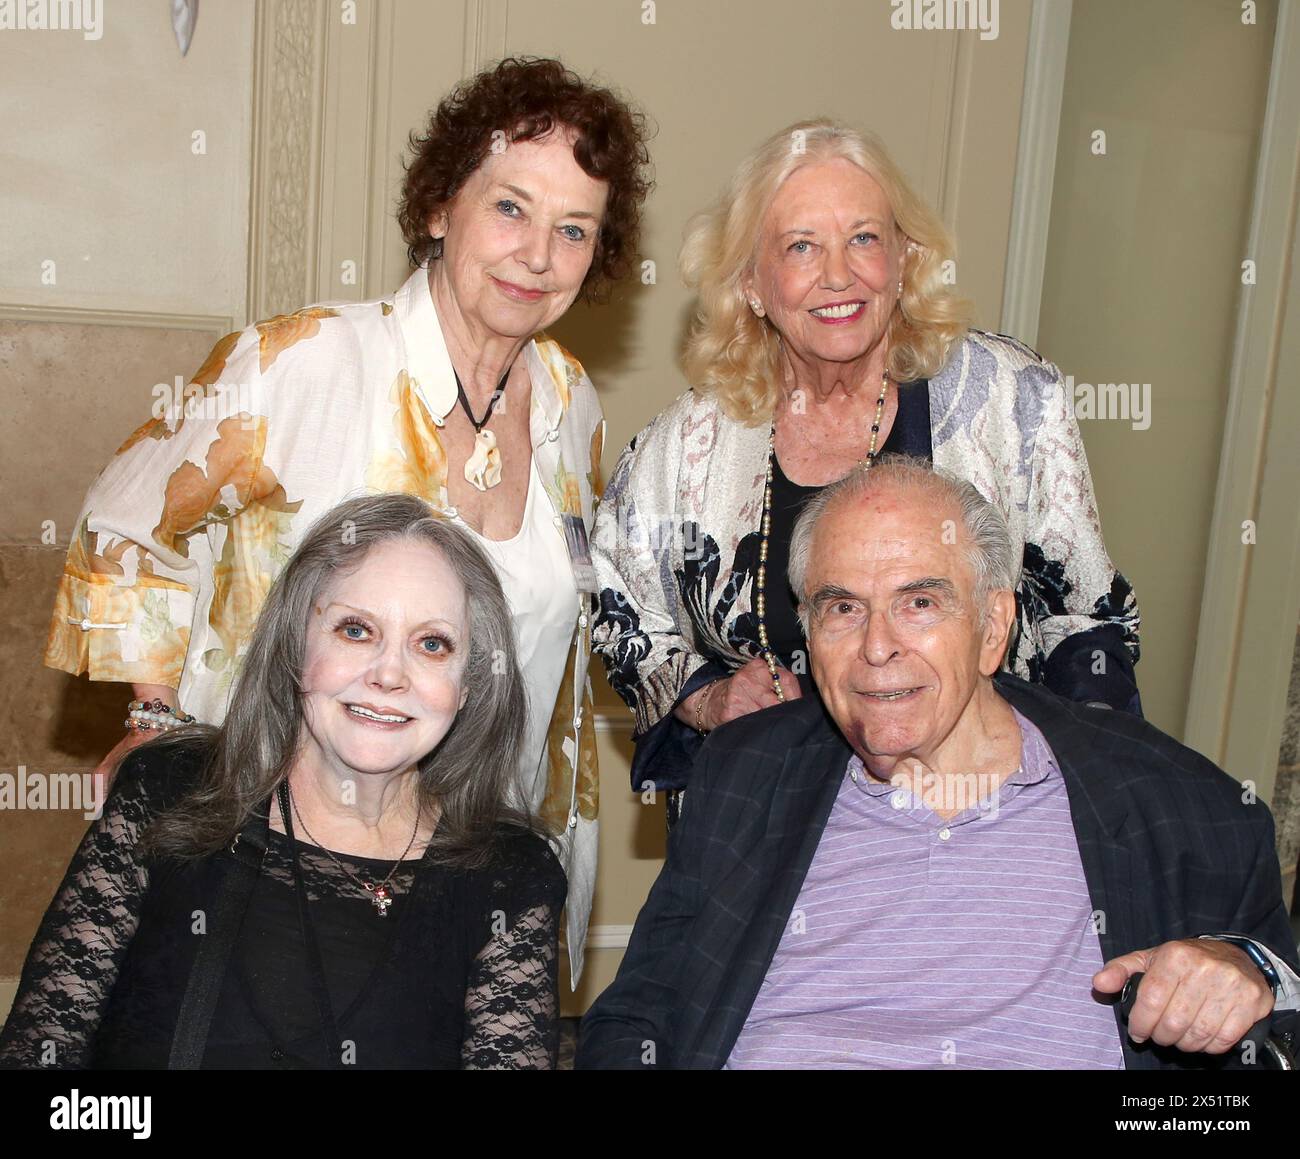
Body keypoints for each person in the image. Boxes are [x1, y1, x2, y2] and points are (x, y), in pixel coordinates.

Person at [42, 57, 651, 971]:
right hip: (273, 852)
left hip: (478, 873)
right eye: (511, 208)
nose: (538, 255)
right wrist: (156, 720)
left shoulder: (574, 408)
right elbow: (125, 521)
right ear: (441, 207)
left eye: (574, 229)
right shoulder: (307, 359)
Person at [578, 458, 1299, 1070]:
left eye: (919, 602)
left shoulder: (1181, 807)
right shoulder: (745, 772)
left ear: (993, 627)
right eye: (842, 608)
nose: (877, 647)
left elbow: (1274, 1010)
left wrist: (1253, 973)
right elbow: (637, 1014)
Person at [591, 119, 1139, 805]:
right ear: (753, 284)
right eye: (801, 246)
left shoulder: (1009, 398)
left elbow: (1086, 618)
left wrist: (1090, 803)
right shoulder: (685, 444)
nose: (838, 274)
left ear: (905, 258)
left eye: (863, 239)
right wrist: (705, 697)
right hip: (769, 821)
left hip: (989, 808)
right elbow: (617, 601)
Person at [2, 494, 565, 1070]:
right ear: (296, 646)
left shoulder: (510, 876)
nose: (390, 675)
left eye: (431, 644)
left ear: (468, 687)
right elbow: (41, 1049)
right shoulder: (167, 793)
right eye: (355, 630)